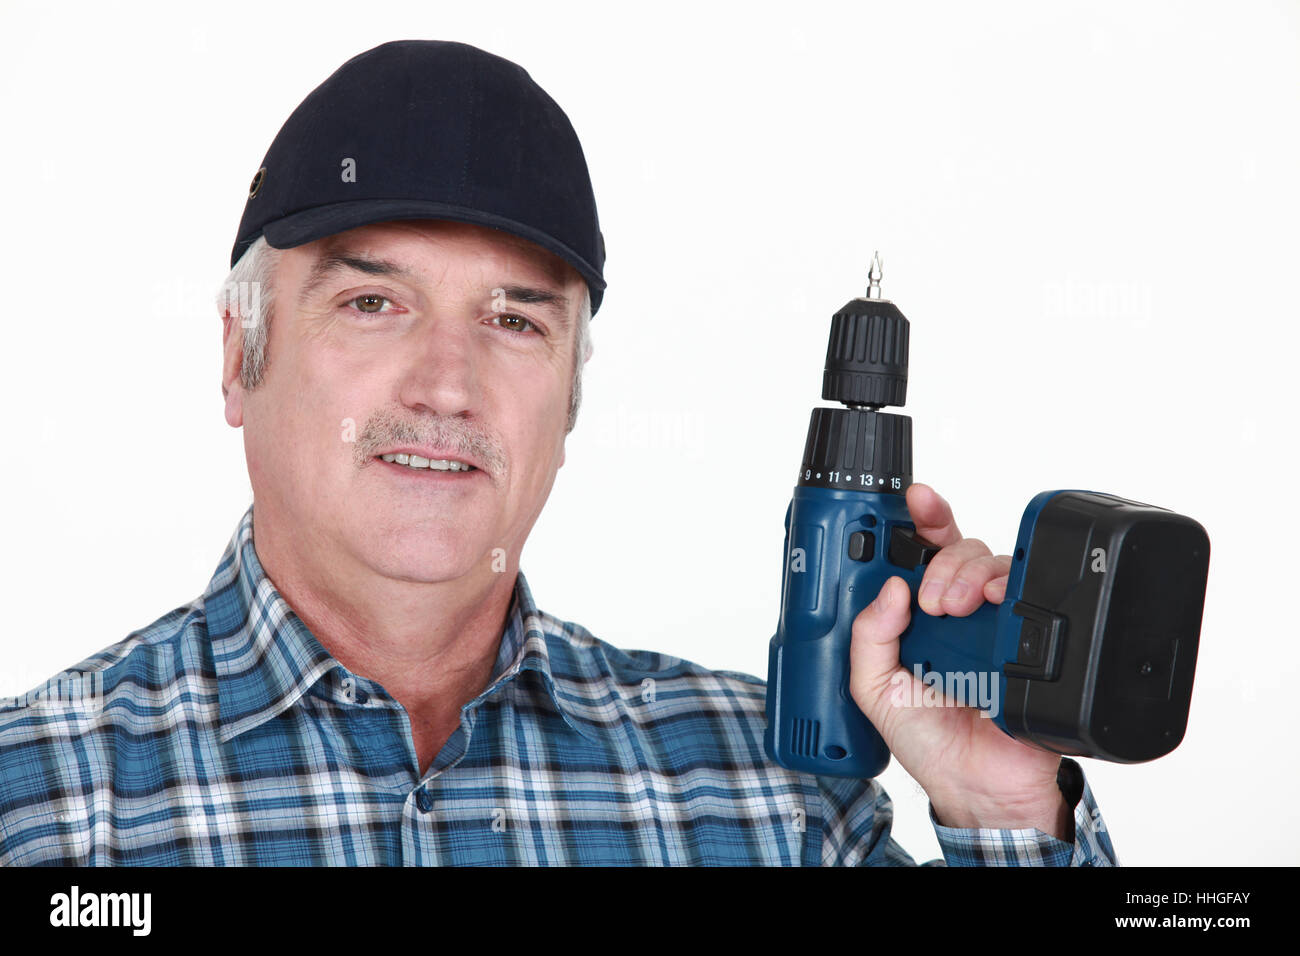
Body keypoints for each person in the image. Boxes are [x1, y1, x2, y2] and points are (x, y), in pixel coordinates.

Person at [0, 40, 1116, 866]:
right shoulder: (43, 803)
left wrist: (1007, 810)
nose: (447, 384)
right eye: (375, 301)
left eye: (515, 320)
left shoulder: (775, 797)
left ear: (570, 393)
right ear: (243, 349)